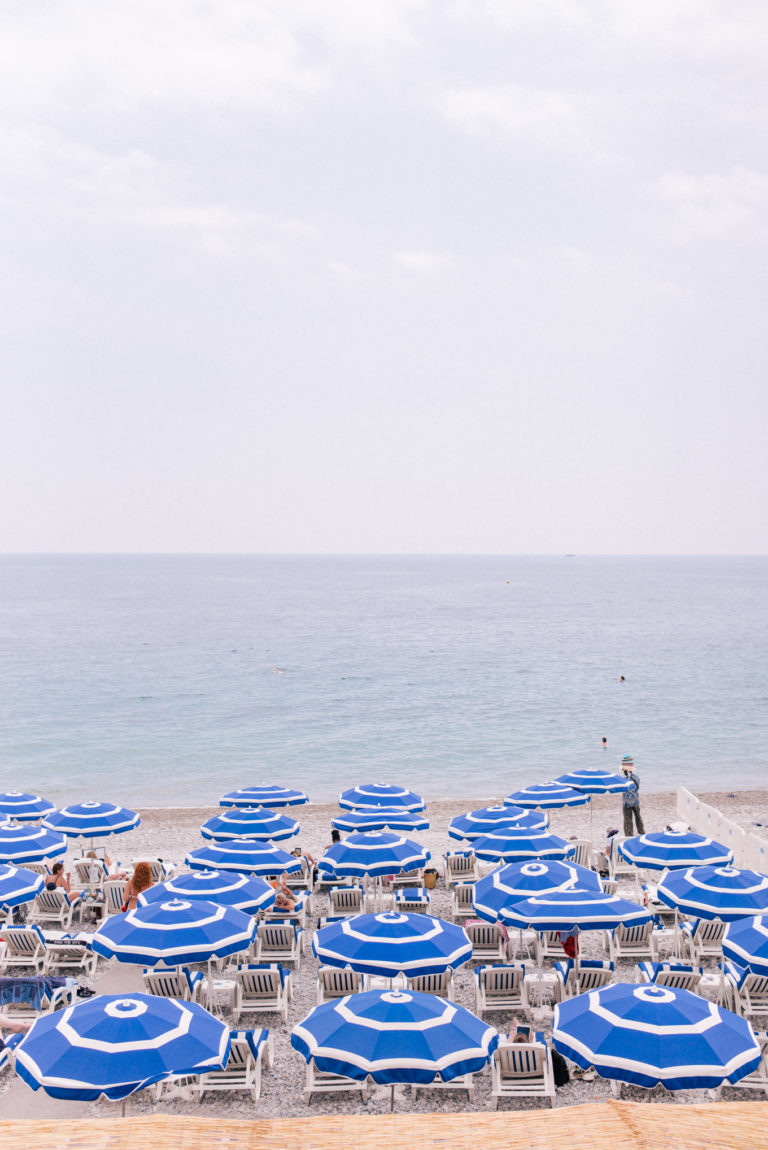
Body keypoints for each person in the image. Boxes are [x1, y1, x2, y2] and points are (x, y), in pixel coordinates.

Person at [621, 755, 645, 835]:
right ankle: (641, 832)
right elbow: (636, 788)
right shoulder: (636, 778)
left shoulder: (623, 779)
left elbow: (623, 789)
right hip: (635, 801)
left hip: (626, 803)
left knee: (627, 820)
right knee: (638, 818)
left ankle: (629, 835)